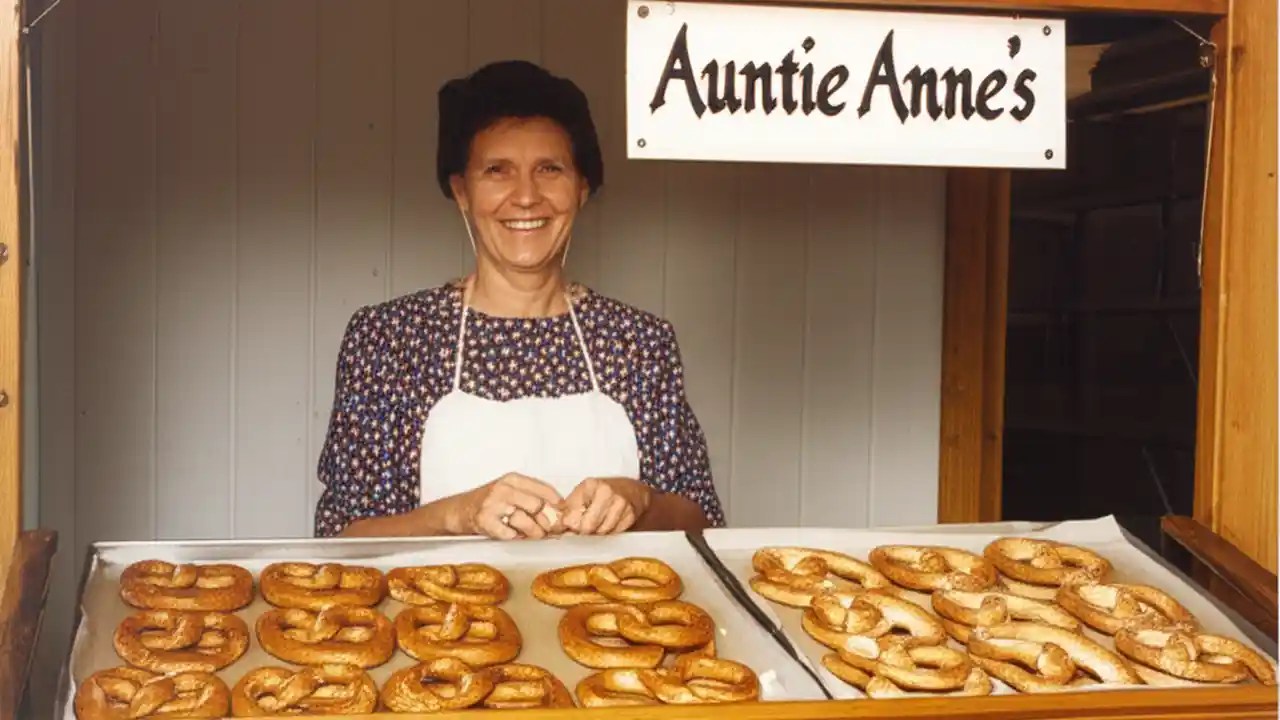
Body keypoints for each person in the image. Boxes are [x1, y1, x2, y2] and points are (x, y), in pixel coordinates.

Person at [314, 60, 725, 540]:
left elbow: (704, 523)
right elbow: (341, 541)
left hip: (607, 612)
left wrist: (642, 501)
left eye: (550, 169)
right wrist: (459, 515)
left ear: (582, 188)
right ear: (462, 191)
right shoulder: (391, 340)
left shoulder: (637, 342)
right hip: (439, 615)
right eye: (497, 171)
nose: (526, 197)